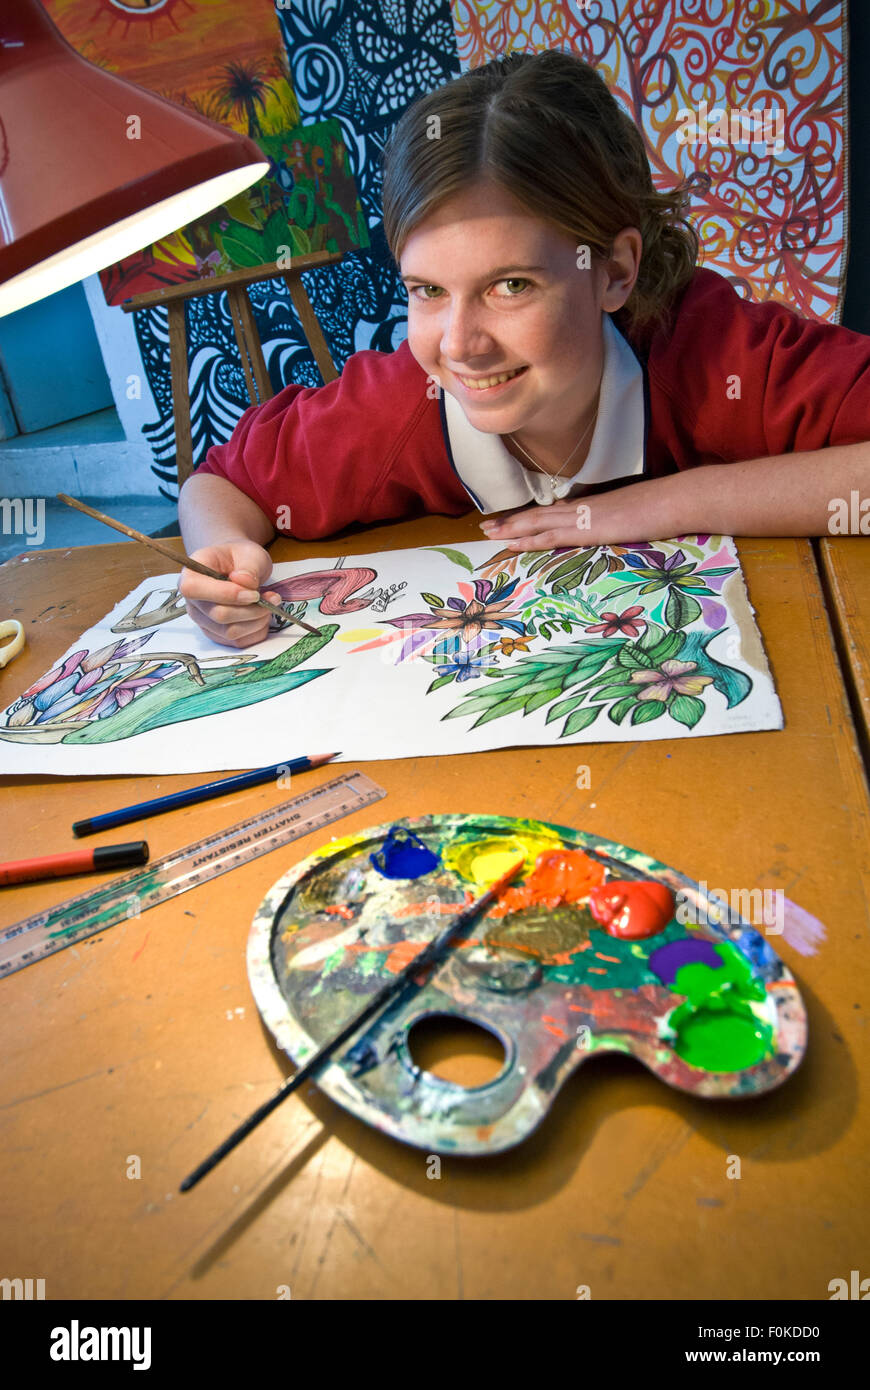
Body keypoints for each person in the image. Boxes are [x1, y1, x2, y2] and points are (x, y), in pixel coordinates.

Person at [178, 48, 870, 648]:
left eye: (511, 285)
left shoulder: (723, 359)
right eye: (427, 290)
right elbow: (222, 483)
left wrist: (670, 501)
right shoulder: (389, 411)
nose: (460, 345)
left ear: (614, 271)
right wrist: (226, 556)